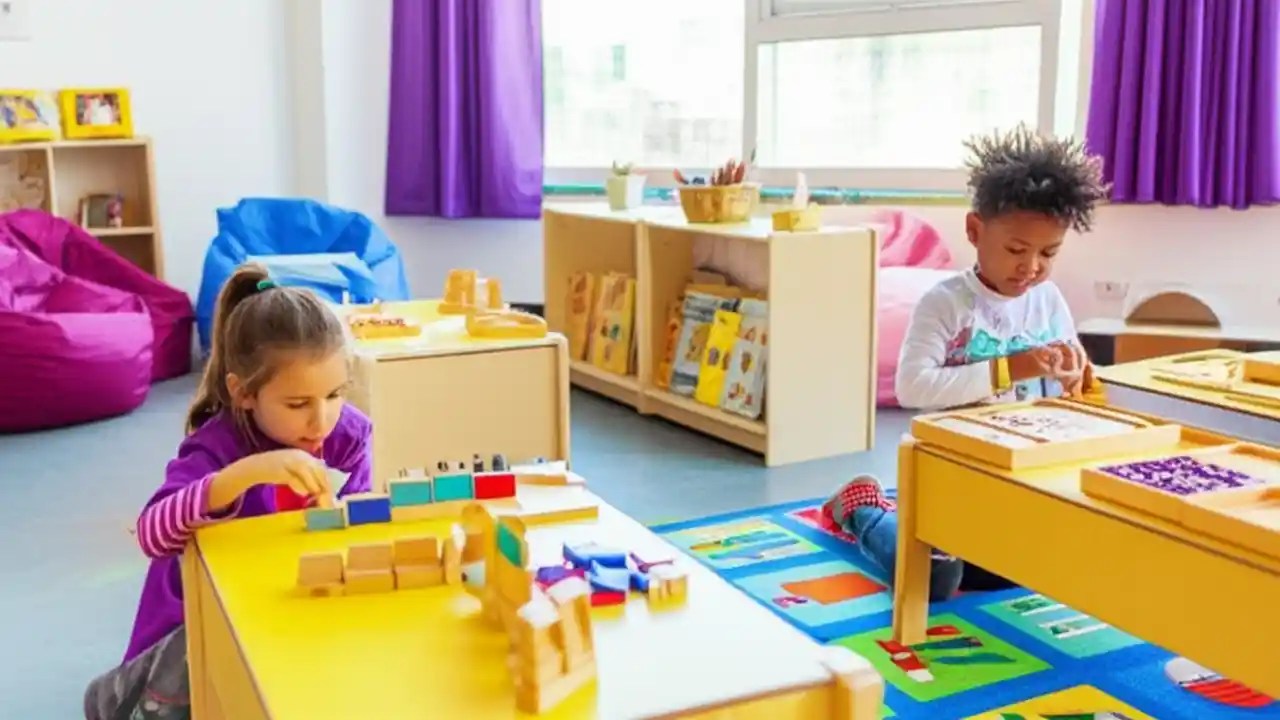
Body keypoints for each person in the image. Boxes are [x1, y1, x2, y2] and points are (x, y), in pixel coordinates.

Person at [823, 124, 1109, 601]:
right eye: (1016, 250)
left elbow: (1064, 385)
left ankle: (963, 549)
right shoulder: (945, 303)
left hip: (1016, 480)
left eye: (1048, 253)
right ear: (975, 231)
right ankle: (863, 508)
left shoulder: (1048, 300)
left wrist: (1075, 376)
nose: (1031, 267)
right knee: (936, 582)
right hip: (949, 477)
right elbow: (912, 386)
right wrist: (1010, 368)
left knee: (1026, 570)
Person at [84, 263, 372, 720]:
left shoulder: (347, 436)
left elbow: (360, 522)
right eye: (298, 403)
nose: (321, 420)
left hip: (280, 602)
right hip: (194, 624)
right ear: (243, 393)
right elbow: (151, 534)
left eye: (335, 395)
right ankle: (117, 693)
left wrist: (341, 518)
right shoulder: (215, 447)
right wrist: (243, 475)